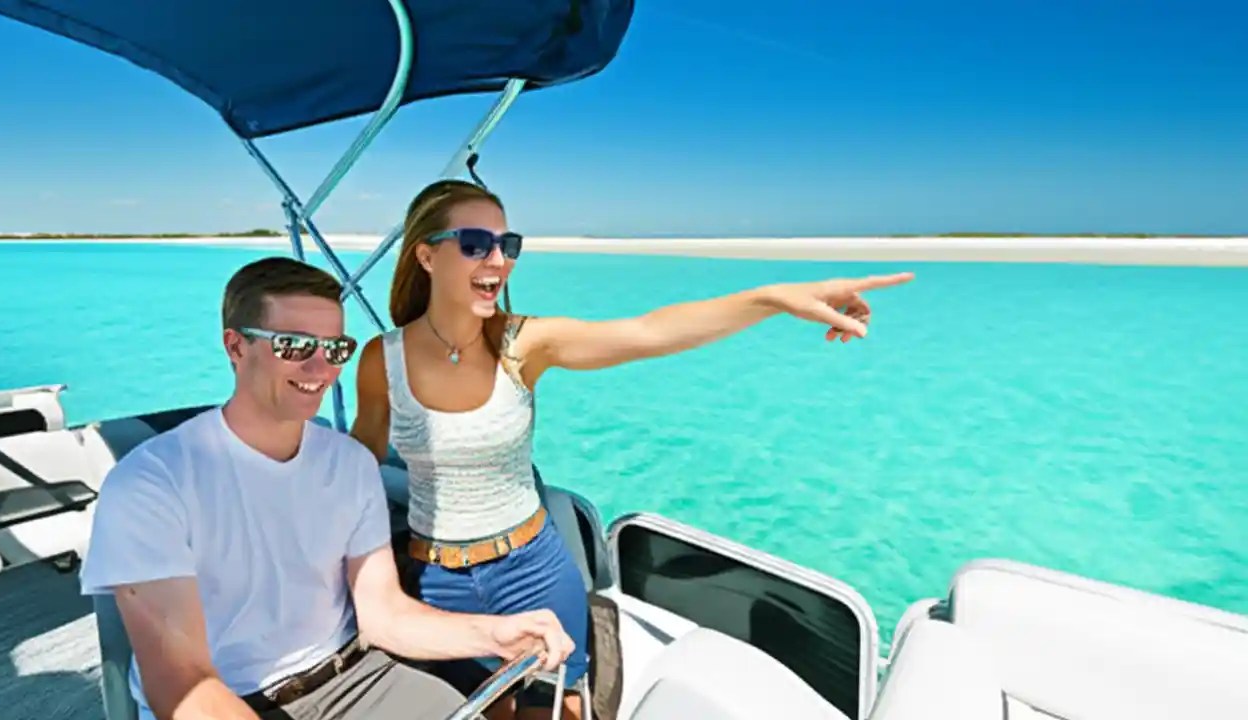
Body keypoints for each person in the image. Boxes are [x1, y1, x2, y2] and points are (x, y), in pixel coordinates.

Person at [348, 179, 915, 719]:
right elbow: (354, 465)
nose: (498, 260)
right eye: (475, 244)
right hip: (437, 578)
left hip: (533, 568)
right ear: (427, 256)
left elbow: (648, 331)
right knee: (480, 710)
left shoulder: (523, 344)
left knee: (561, 707)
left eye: (508, 244)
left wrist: (771, 298)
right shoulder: (383, 360)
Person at [79, 256, 574, 720]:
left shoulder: (351, 464)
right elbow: (181, 683)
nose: (321, 370)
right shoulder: (149, 484)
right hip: (229, 699)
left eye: (335, 348)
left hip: (357, 677)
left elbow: (383, 615)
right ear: (235, 346)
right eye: (293, 346)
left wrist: (497, 633)